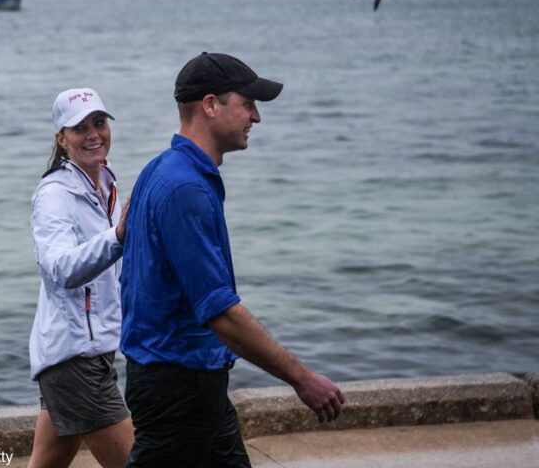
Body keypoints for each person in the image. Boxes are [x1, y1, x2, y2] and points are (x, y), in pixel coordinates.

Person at [120, 52, 346, 467]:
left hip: (186, 379)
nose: (256, 117)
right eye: (248, 104)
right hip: (178, 388)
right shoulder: (184, 188)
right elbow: (219, 310)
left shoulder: (160, 170)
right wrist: (303, 379)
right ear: (210, 105)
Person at [27, 88, 134, 468]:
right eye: (78, 127)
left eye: (99, 122)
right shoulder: (55, 194)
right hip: (74, 359)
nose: (93, 134)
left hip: (90, 351)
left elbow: (113, 273)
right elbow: (61, 270)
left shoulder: (105, 184)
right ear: (61, 138)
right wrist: (118, 236)